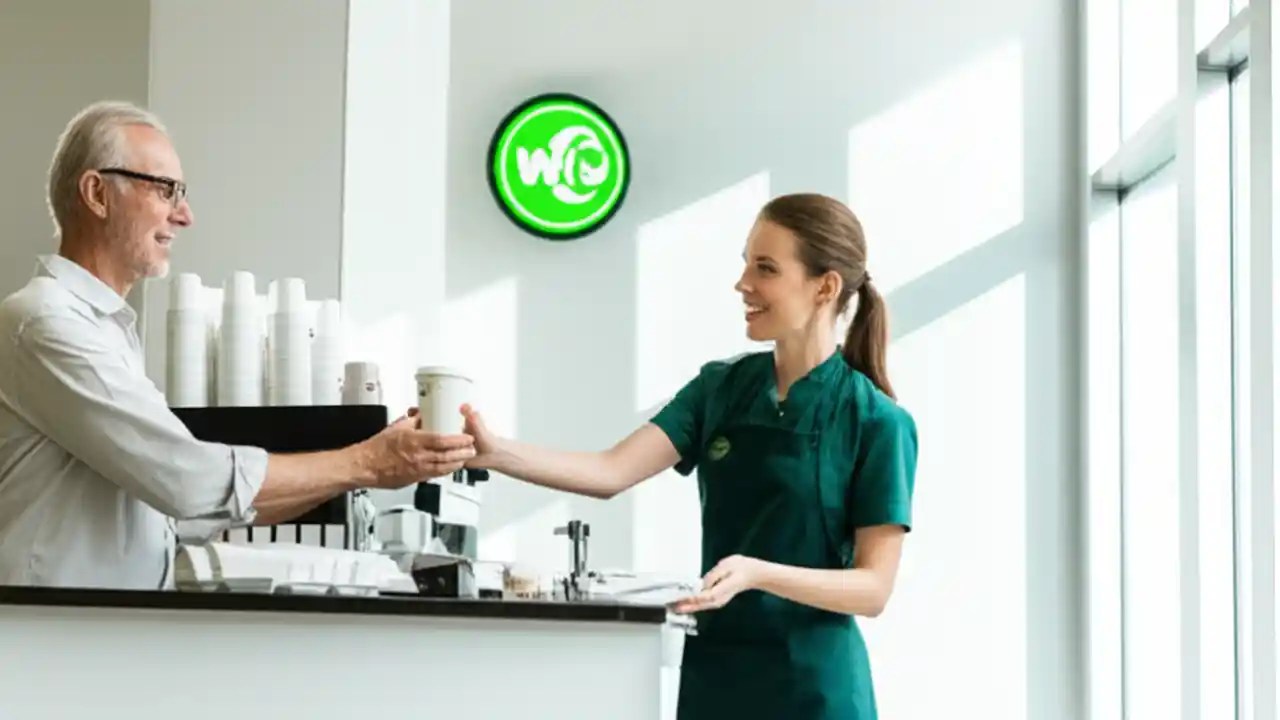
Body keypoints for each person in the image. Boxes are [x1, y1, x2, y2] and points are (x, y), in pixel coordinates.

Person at [460, 192, 918, 718]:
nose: (743, 283)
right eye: (745, 263)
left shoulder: (878, 421)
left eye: (765, 267)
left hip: (815, 688)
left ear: (826, 286)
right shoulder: (719, 388)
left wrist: (757, 572)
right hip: (715, 679)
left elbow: (872, 589)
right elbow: (611, 471)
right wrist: (493, 452)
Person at [0, 100, 475, 590]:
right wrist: (369, 461)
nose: (184, 215)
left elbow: (194, 506)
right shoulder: (45, 321)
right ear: (97, 193)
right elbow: (188, 483)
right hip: (52, 643)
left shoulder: (105, 329)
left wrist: (366, 467)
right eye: (166, 190)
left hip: (95, 638)